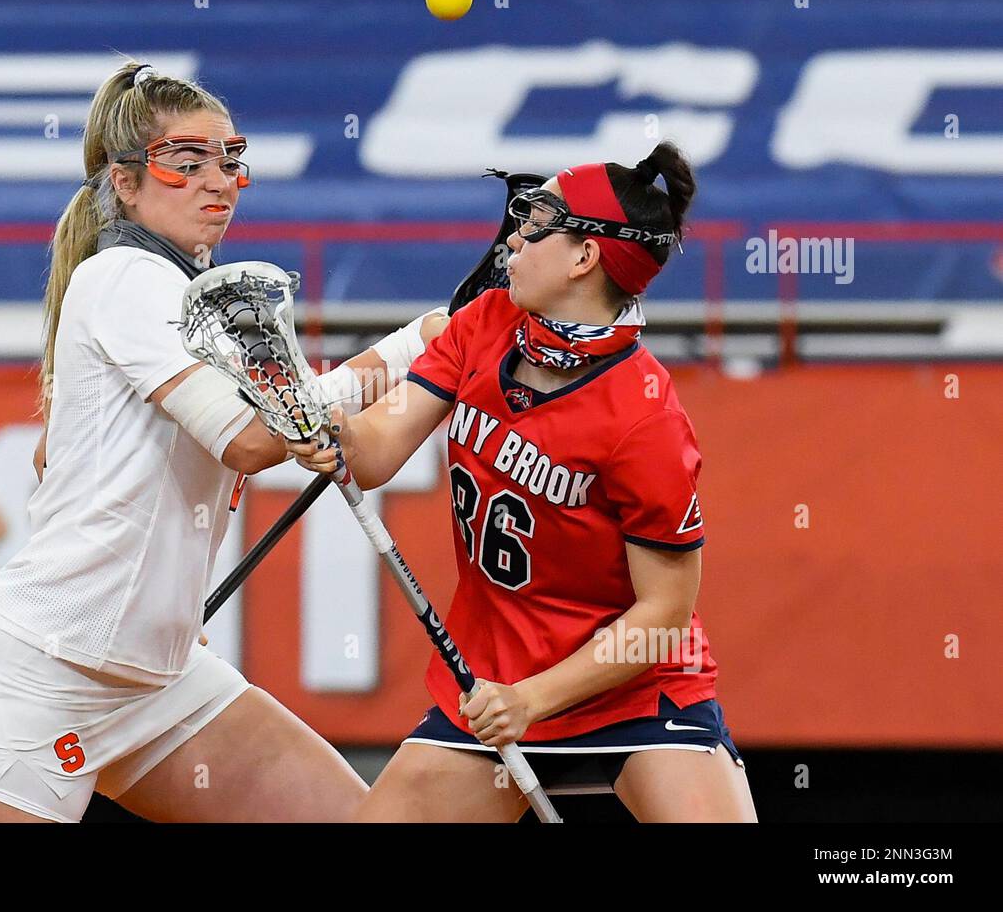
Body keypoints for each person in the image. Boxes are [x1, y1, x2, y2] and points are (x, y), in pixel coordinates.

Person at [0, 61, 446, 823]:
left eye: (230, 161)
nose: (218, 182)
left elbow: (74, 458)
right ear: (126, 184)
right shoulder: (127, 279)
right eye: (187, 164)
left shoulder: (192, 299)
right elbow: (260, 437)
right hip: (35, 675)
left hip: (159, 679)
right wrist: (418, 343)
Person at [289, 142, 758, 822]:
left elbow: (663, 616)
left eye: (537, 223)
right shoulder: (485, 324)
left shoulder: (646, 417)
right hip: (489, 685)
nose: (513, 236)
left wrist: (532, 701)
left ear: (584, 256)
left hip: (635, 695)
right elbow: (378, 450)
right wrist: (334, 433)